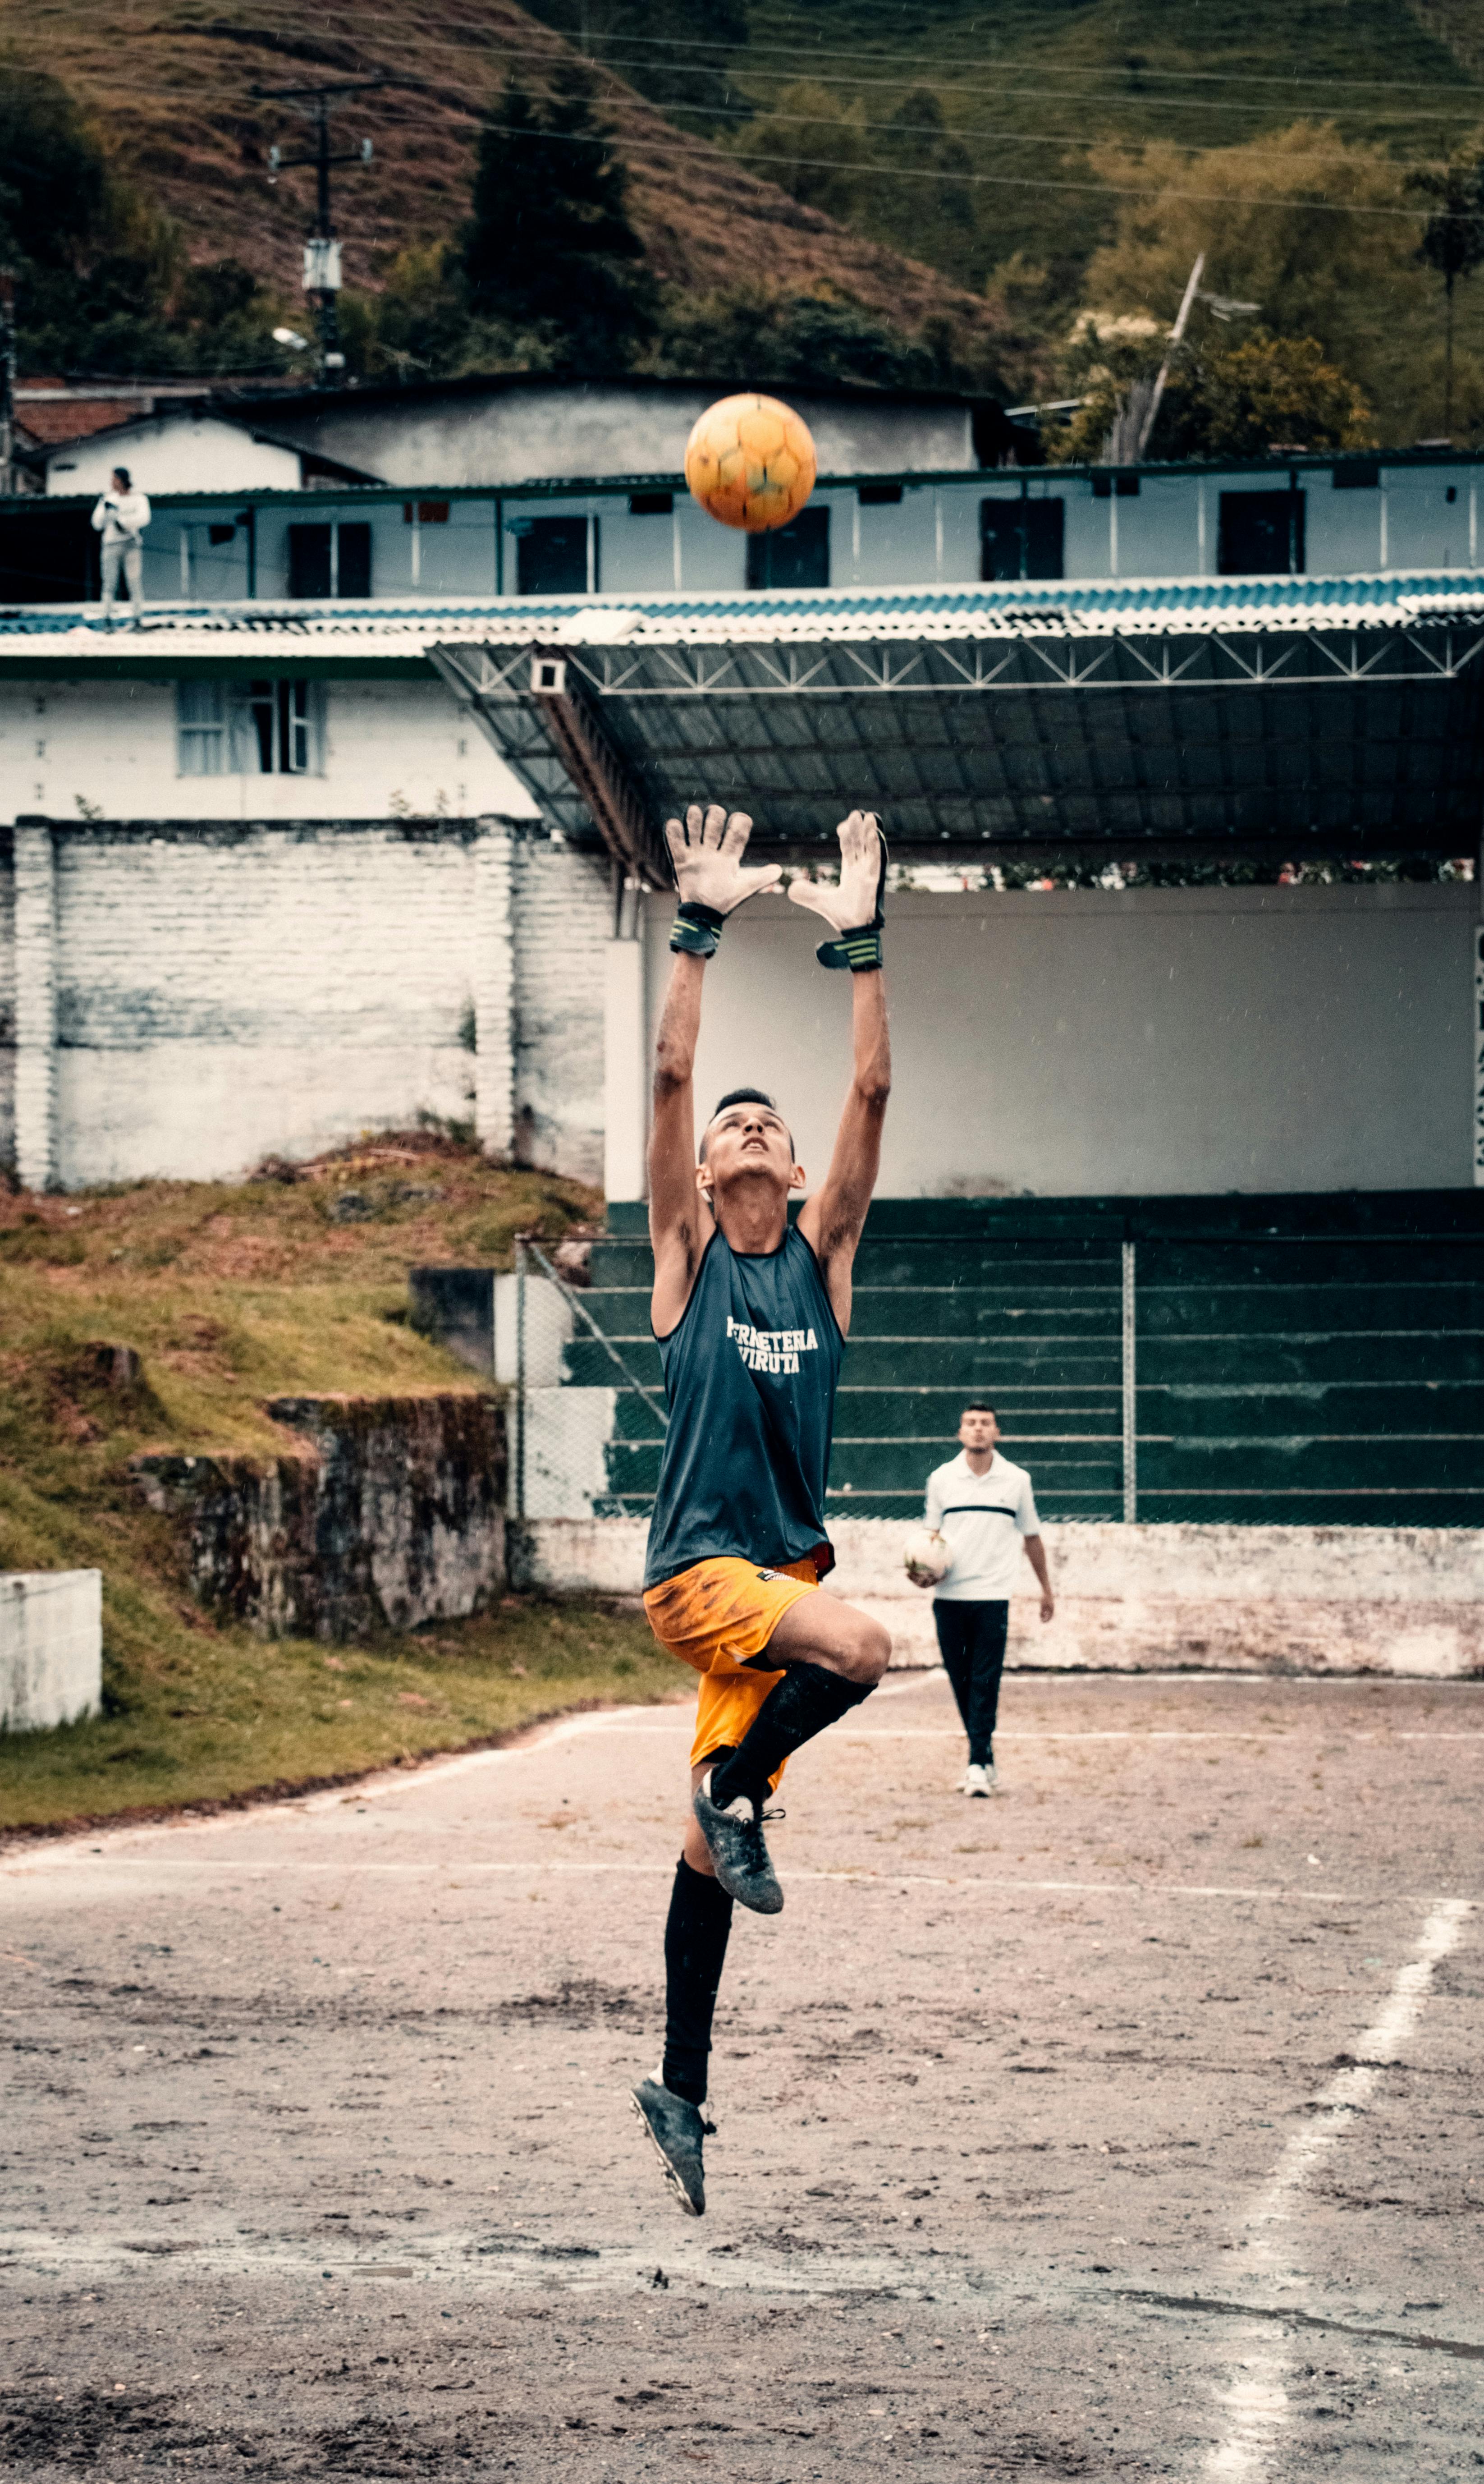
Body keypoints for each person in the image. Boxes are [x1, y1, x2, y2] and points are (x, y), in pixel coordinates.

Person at [629, 798, 892, 2218]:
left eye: (765, 1124)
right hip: (701, 1577)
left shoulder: (821, 1256)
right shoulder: (683, 1254)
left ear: (792, 1178)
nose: (741, 1126)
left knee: (702, 1855)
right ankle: (737, 1790)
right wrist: (700, 925)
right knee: (863, 1651)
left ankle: (678, 2089)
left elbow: (871, 1102)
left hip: (766, 1590)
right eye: (732, 1121)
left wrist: (861, 942)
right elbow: (670, 1076)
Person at [910, 1402, 1055, 1795]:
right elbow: (929, 1539)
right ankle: (984, 1757)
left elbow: (1032, 1536)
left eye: (985, 1423)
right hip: (949, 1596)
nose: (978, 1429)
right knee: (961, 1680)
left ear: (997, 1432)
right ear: (960, 1432)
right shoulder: (941, 1479)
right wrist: (919, 1571)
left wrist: (1046, 1588)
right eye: (971, 1423)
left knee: (985, 1679)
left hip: (992, 1595)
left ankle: (976, 1763)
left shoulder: (1017, 1480)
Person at [92, 468, 151, 624]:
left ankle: (137, 618)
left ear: (121, 480)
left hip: (131, 544)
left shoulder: (139, 499)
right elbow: (97, 524)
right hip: (111, 545)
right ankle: (107, 618)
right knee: (109, 583)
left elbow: (144, 518)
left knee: (134, 582)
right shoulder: (108, 499)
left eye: (114, 479)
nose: (111, 482)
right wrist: (107, 513)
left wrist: (123, 521)